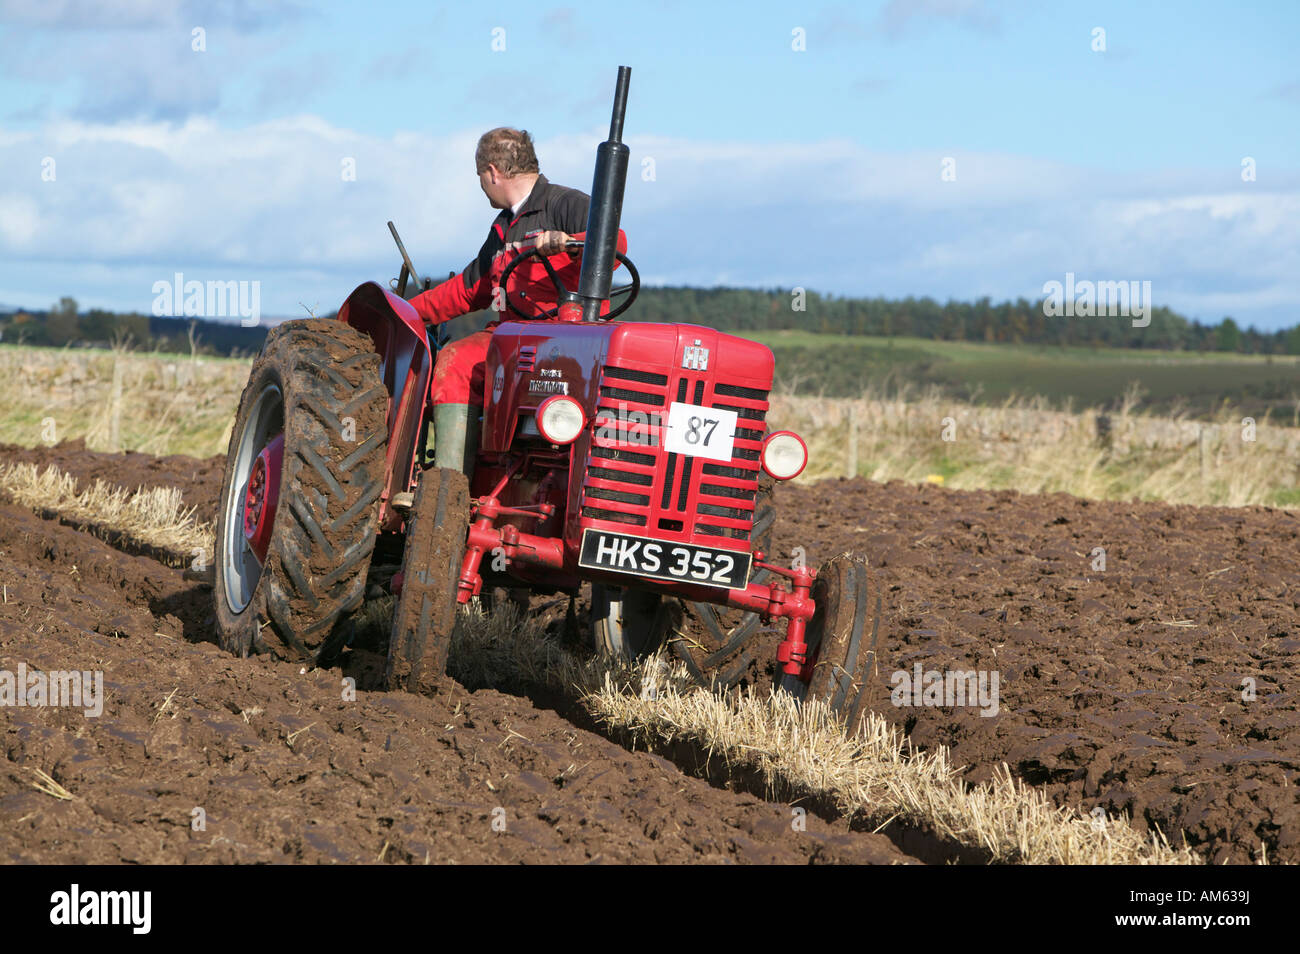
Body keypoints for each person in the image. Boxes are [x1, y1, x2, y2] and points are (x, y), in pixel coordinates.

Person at [409, 126, 627, 475]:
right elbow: (468, 289)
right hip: (511, 340)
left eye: (479, 176)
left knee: (457, 361)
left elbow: (612, 245)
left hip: (564, 339)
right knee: (458, 360)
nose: (481, 185)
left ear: (492, 172)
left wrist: (568, 242)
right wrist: (407, 311)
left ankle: (447, 488)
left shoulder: (565, 204)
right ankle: (451, 488)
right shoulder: (502, 229)